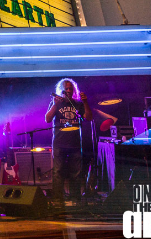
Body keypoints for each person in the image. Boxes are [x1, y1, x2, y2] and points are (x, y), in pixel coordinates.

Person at [45, 78, 92, 207]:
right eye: (66, 88)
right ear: (61, 90)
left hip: (75, 143)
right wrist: (55, 105)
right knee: (58, 172)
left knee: (76, 173)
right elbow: (47, 119)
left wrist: (85, 102)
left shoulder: (77, 104)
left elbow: (88, 117)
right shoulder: (56, 103)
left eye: (71, 88)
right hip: (59, 143)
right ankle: (57, 200)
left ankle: (75, 199)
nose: (69, 90)